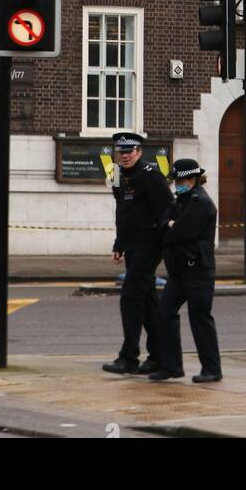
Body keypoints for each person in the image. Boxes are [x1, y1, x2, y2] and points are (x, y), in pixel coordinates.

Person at [102, 132, 173, 376]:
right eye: (121, 152)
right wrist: (118, 244)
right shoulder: (117, 175)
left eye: (130, 151)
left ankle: (128, 357)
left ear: (139, 152)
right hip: (131, 245)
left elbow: (167, 209)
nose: (125, 156)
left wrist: (162, 243)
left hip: (149, 245)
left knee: (130, 297)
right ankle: (158, 356)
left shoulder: (151, 175)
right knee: (147, 301)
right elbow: (122, 212)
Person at [150, 159, 222, 384]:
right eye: (176, 181)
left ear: (192, 179)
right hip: (180, 269)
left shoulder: (200, 202)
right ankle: (171, 366)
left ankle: (212, 368)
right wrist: (168, 225)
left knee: (200, 317)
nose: (177, 184)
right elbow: (161, 223)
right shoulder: (182, 199)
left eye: (180, 181)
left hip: (198, 269)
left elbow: (182, 232)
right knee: (164, 313)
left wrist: (170, 227)